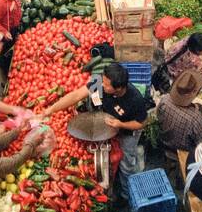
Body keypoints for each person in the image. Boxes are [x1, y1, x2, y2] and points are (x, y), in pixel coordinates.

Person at [42, 62, 149, 199]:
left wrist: (121, 124)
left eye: (106, 84)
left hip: (128, 129)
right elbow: (76, 96)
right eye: (102, 81)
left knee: (126, 163)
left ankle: (126, 193)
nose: (102, 85)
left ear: (119, 88)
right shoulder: (99, 82)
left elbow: (141, 123)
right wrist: (50, 110)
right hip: (109, 120)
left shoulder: (135, 100)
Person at [156, 69, 202, 184]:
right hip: (184, 147)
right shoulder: (194, 117)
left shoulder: (165, 99)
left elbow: (159, 117)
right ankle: (181, 179)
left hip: (165, 139)